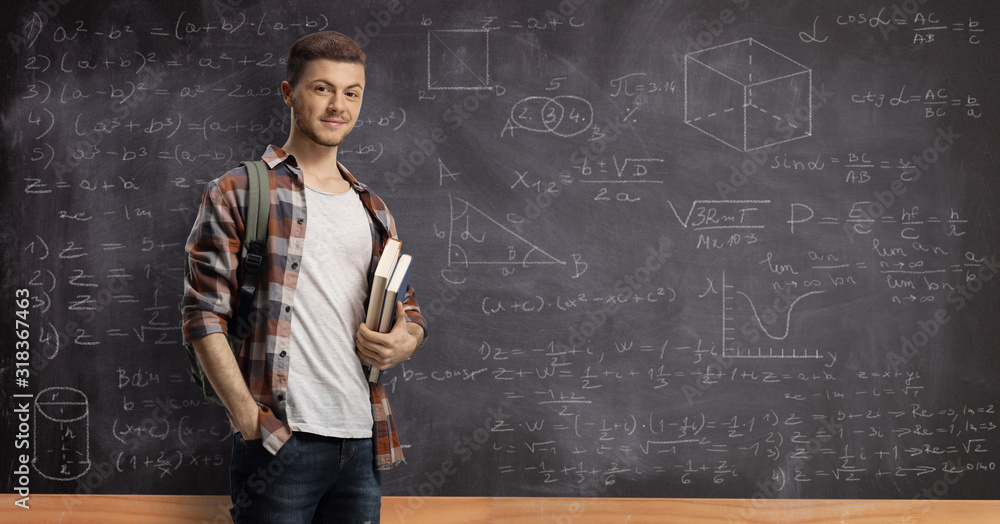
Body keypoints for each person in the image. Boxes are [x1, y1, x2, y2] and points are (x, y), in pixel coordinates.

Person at [181, 31, 426, 523]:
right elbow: (203, 316)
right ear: (290, 93)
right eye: (322, 88)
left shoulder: (373, 209)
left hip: (362, 442)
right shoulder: (239, 190)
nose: (339, 105)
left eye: (351, 92)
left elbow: (410, 309)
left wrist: (406, 340)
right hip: (278, 442)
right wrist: (248, 419)